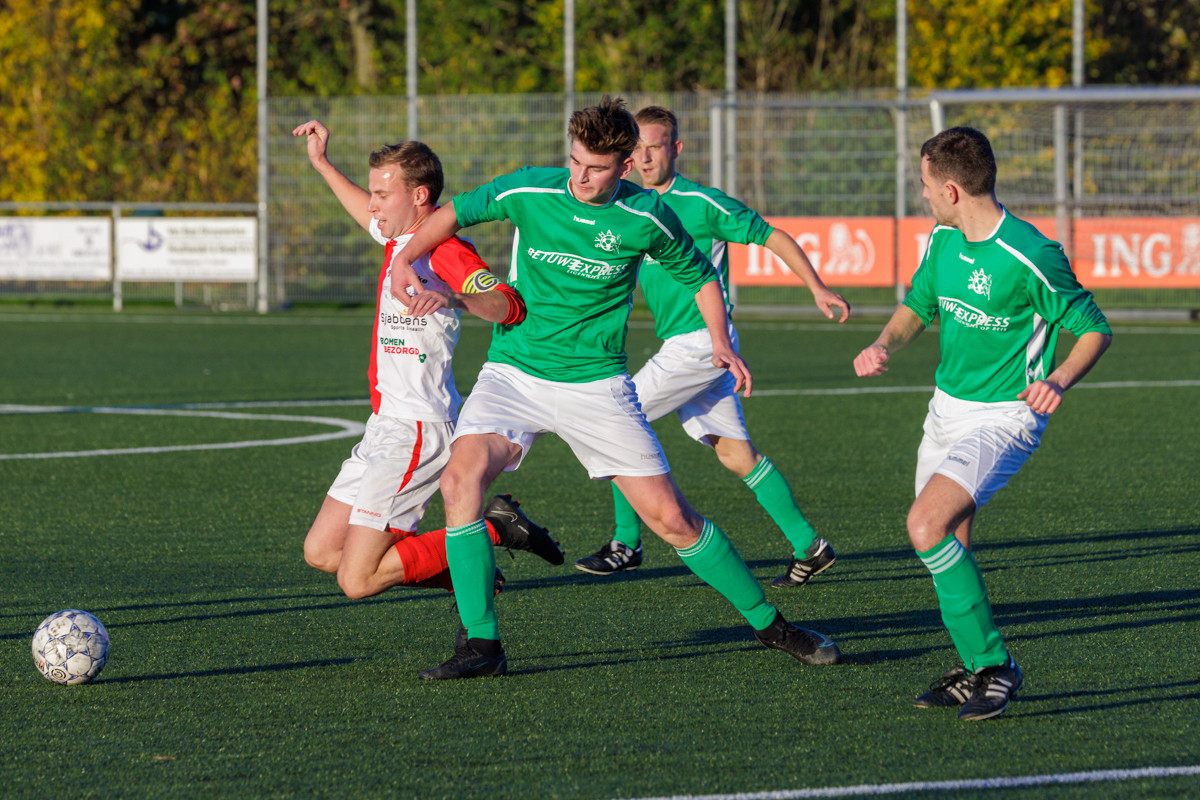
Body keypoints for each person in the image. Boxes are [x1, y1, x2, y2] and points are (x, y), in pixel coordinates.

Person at [387, 96, 843, 680]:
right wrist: (409, 256)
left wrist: (721, 342)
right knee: (462, 479)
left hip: (596, 383)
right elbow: (454, 214)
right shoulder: (531, 189)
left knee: (672, 520)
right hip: (514, 371)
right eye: (574, 160)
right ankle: (482, 644)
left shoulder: (647, 216)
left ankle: (771, 625)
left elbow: (701, 275)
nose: (579, 176)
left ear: (624, 166)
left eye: (595, 167)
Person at [853, 126, 1112, 721]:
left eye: (922, 186)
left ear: (950, 189)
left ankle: (997, 665)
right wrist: (884, 343)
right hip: (945, 410)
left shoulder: (1030, 252)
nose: (920, 195)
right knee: (946, 542)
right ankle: (973, 667)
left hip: (1005, 417)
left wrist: (1058, 380)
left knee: (924, 524)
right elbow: (918, 306)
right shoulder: (941, 242)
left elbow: (1094, 326)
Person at [291, 119, 564, 615]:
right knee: (322, 552)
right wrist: (321, 163)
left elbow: (508, 303)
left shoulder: (445, 248)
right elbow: (366, 215)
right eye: (371, 192)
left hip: (417, 431)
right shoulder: (401, 239)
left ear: (420, 197)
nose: (372, 204)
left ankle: (492, 529)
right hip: (384, 426)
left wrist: (453, 298)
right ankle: (463, 559)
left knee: (357, 580)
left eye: (382, 193)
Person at [573, 105, 851, 588]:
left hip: (702, 345)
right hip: (690, 347)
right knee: (735, 455)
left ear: (675, 150)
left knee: (615, 419)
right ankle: (811, 546)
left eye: (654, 147)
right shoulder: (631, 205)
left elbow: (772, 235)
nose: (644, 158)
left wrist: (817, 286)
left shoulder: (702, 202)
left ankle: (625, 543)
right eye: (636, 149)